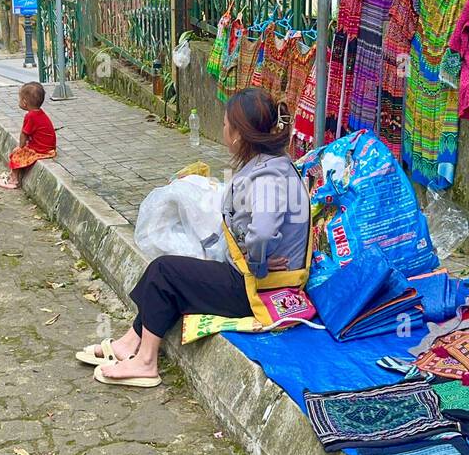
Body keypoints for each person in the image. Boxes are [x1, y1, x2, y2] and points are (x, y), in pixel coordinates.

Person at [77, 87, 310, 388]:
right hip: (250, 278)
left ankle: (146, 363)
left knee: (165, 272)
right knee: (173, 271)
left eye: (226, 125)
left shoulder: (267, 178)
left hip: (257, 290)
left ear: (238, 135)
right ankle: (128, 343)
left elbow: (262, 232)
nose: (223, 130)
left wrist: (258, 264)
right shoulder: (270, 165)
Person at [0, 81, 55, 189]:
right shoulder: (39, 113)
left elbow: (24, 134)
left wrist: (20, 147)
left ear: (25, 102)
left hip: (41, 149)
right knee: (18, 153)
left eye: (20, 99)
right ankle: (11, 174)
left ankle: (14, 179)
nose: (19, 101)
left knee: (16, 155)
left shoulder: (30, 116)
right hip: (47, 147)